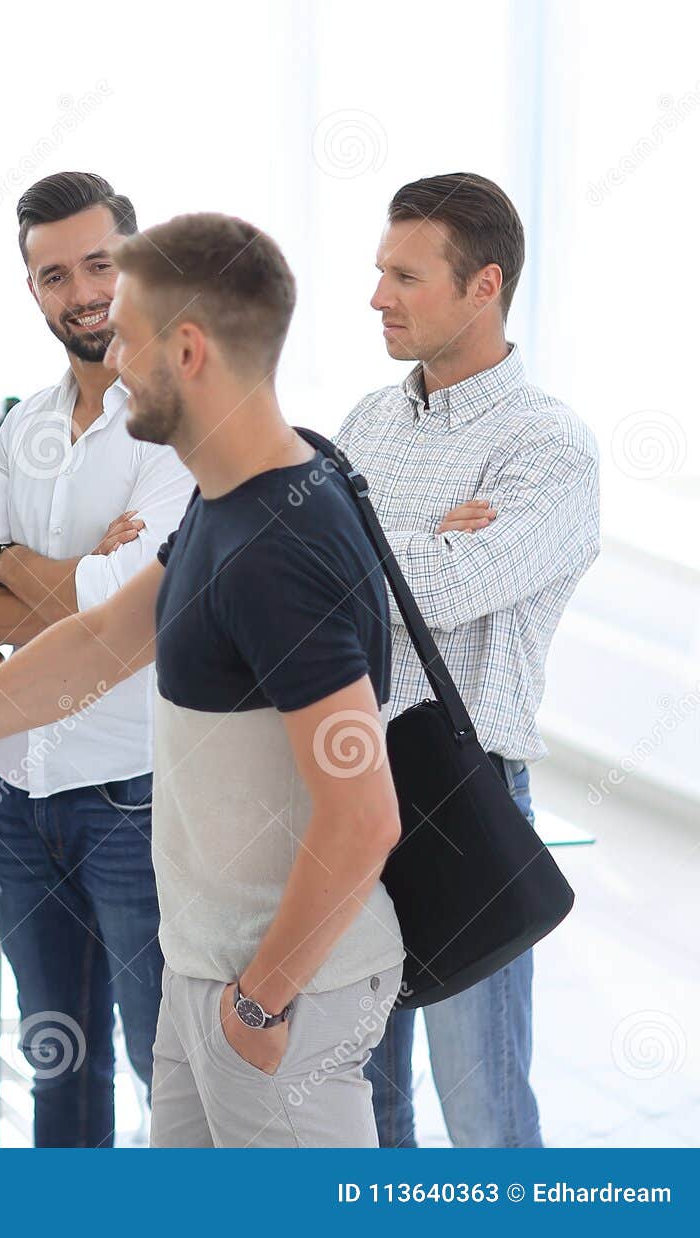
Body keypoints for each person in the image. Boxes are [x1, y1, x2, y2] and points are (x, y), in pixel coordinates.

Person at [0, 213, 408, 1147]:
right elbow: (93, 647)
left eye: (127, 336)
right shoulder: (226, 505)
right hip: (206, 970)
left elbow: (365, 813)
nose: (112, 355)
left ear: (188, 349)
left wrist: (261, 999)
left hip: (282, 995)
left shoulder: (284, 542)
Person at [0, 171, 193, 1145]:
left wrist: (19, 567)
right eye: (54, 274)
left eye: (99, 263)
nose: (81, 291)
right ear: (32, 288)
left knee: (161, 1074)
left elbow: (125, 606)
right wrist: (59, 572)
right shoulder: (21, 430)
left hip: (134, 800)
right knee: (57, 1075)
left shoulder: (176, 420)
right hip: (19, 801)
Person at [341, 172, 600, 1148]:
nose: (377, 297)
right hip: (343, 791)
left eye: (404, 276)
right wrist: (414, 541)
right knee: (363, 1096)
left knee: (483, 1113)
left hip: (459, 796)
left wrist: (361, 538)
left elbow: (443, 593)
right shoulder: (367, 416)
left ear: (483, 284)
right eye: (378, 272)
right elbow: (304, 578)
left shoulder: (548, 445)